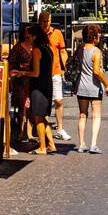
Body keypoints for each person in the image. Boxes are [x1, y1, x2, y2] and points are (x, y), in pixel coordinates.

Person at [72, 24, 108, 153]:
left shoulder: (80, 48)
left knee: (82, 115)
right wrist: (106, 84)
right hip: (94, 87)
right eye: (98, 34)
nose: (99, 36)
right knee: (96, 116)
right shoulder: (96, 51)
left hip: (81, 86)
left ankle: (81, 144)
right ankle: (93, 144)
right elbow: (96, 71)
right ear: (94, 36)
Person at [38, 10, 71, 141]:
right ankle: (45, 130)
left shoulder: (57, 33)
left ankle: (60, 128)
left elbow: (62, 51)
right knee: (44, 103)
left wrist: (65, 66)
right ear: (39, 21)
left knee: (58, 100)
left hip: (55, 71)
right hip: (41, 73)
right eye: (44, 21)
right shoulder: (37, 34)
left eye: (49, 20)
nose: (47, 23)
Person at [27, 24, 58, 154]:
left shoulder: (36, 50)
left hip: (38, 87)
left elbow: (35, 73)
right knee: (43, 117)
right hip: (47, 84)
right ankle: (51, 145)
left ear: (35, 37)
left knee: (38, 117)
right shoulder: (48, 49)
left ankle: (42, 147)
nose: (27, 38)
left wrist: (22, 72)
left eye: (29, 36)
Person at [8, 24, 37, 142]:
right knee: (21, 107)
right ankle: (20, 132)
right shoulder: (17, 48)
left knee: (32, 108)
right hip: (20, 81)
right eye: (26, 32)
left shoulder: (37, 48)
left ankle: (29, 133)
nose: (28, 34)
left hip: (33, 80)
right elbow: (10, 63)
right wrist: (11, 77)